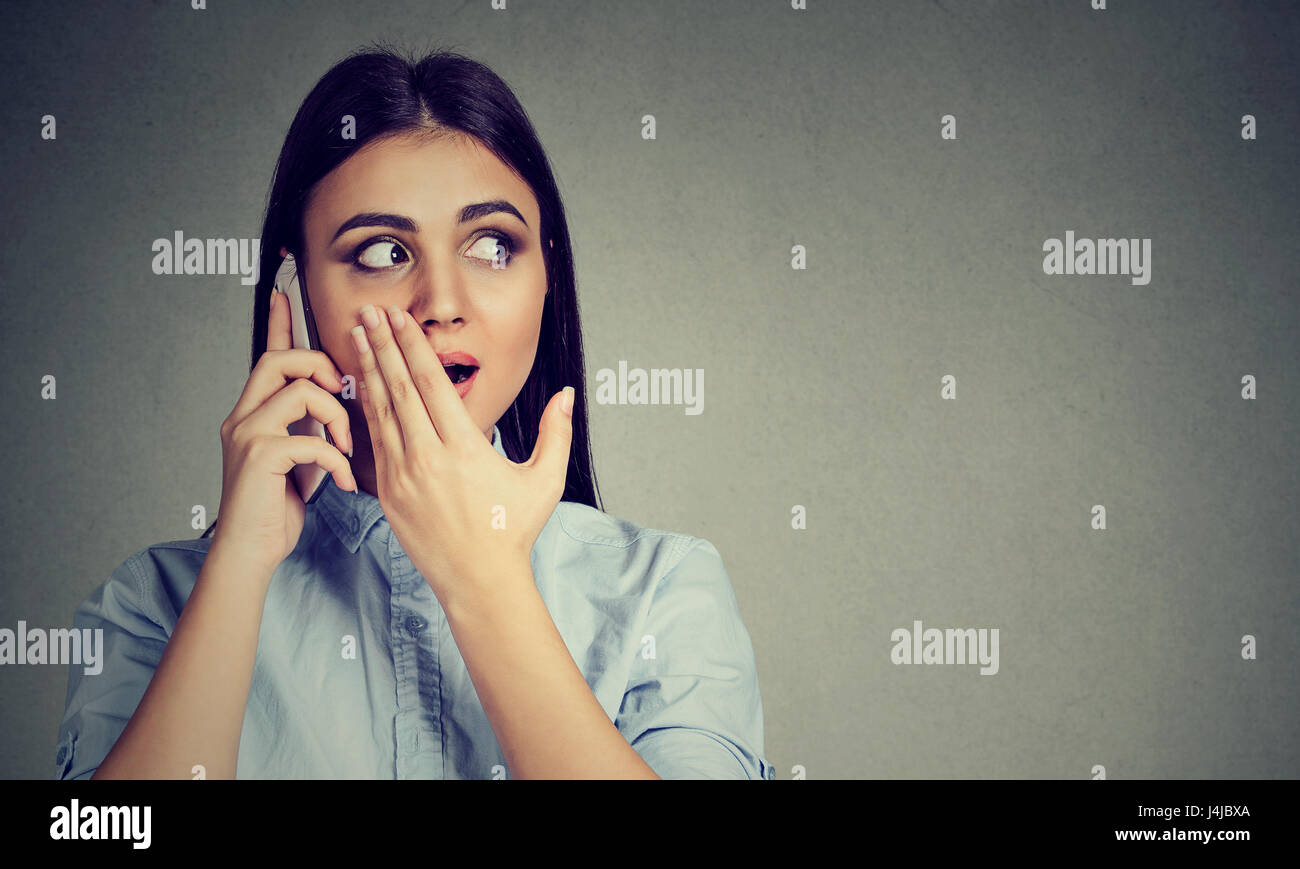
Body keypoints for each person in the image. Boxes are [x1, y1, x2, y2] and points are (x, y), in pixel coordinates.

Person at [53, 45, 773, 780]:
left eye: (492, 245)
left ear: (547, 270)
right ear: (295, 288)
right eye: (380, 252)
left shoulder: (663, 590)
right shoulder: (155, 603)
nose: (442, 305)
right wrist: (238, 564)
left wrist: (484, 576)